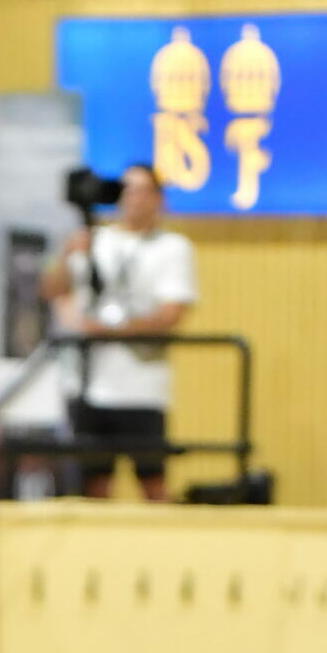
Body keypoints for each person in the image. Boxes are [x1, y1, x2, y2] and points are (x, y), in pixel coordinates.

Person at [40, 162, 197, 502]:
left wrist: (110, 331)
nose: (134, 199)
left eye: (143, 191)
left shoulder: (173, 247)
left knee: (153, 482)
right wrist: (67, 254)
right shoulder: (93, 240)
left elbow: (172, 312)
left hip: (141, 385)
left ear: (158, 198)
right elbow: (52, 288)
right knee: (93, 485)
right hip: (87, 383)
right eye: (128, 190)